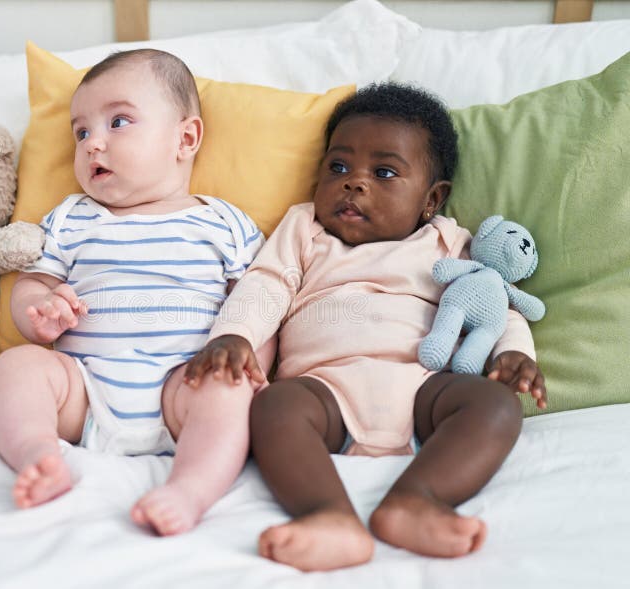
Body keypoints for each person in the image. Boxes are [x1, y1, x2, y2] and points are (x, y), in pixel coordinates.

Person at [184, 82, 547, 571]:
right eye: (338, 167)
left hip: (425, 388)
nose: (354, 183)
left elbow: (495, 302)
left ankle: (418, 499)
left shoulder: (445, 241)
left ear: (431, 200)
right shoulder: (305, 229)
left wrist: (515, 354)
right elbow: (266, 286)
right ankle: (327, 515)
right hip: (323, 391)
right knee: (273, 404)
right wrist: (235, 337)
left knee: (496, 405)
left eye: (384, 172)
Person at [0, 49, 274, 536]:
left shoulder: (224, 222)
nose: (93, 144)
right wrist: (39, 308)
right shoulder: (72, 217)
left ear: (185, 138)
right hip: (84, 390)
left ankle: (191, 488)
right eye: (80, 132)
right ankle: (38, 454)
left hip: (183, 388)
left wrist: (253, 360)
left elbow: (259, 302)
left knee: (230, 389)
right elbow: (35, 282)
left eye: (118, 121)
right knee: (17, 367)